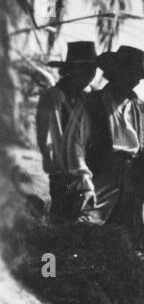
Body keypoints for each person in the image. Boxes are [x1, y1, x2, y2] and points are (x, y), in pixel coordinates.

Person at [57, 46, 144, 232]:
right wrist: (83, 178)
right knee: (88, 224)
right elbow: (74, 143)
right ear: (113, 73)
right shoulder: (92, 102)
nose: (132, 81)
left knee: (128, 231)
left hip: (132, 175)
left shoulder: (142, 109)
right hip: (102, 172)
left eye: (136, 77)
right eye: (127, 74)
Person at [37, 41, 99, 221]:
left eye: (93, 69)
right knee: (62, 220)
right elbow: (48, 137)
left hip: (87, 170)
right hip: (63, 173)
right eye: (85, 69)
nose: (90, 74)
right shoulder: (53, 97)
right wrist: (62, 170)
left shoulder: (89, 98)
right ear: (71, 69)